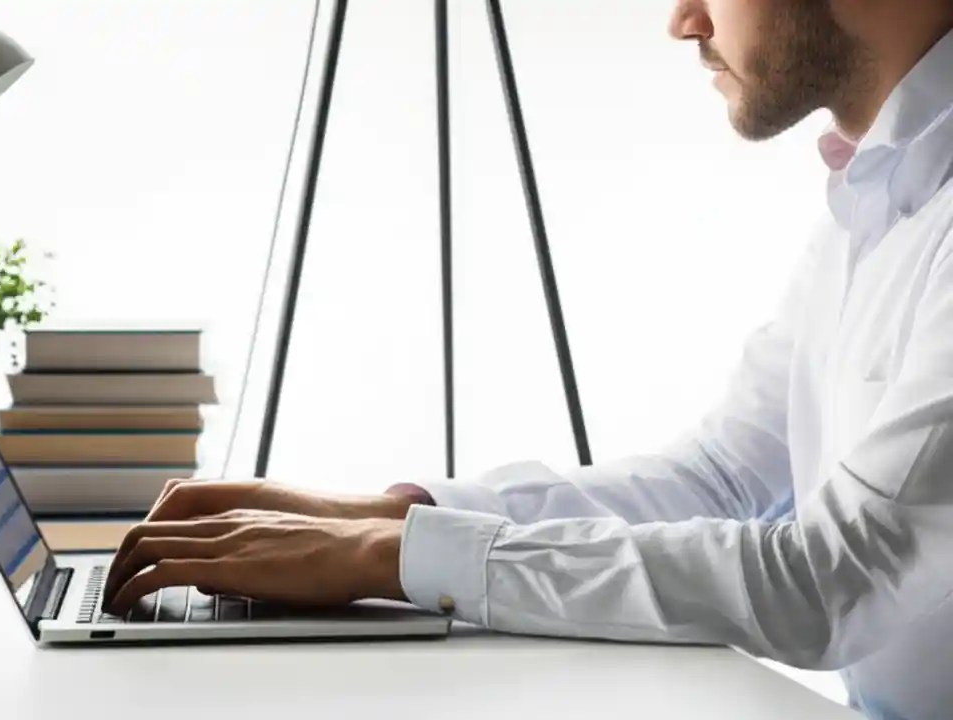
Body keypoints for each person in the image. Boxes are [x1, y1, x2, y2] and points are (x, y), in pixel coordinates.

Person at [102, 1, 953, 717]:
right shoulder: (882, 190)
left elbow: (837, 579)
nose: (683, 20)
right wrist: (385, 515)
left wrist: (389, 560)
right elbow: (724, 477)